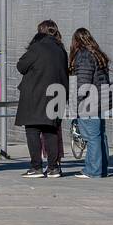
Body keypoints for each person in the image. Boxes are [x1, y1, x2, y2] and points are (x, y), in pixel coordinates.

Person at [15, 20, 68, 178]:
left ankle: (36, 167)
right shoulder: (61, 50)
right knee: (50, 131)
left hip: (35, 96)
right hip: (56, 96)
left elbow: (21, 66)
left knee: (32, 130)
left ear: (40, 31)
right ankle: (53, 168)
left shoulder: (37, 47)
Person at [69, 27, 111, 179]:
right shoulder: (97, 54)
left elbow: (82, 84)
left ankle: (93, 170)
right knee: (100, 136)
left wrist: (76, 104)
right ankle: (101, 168)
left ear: (76, 41)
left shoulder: (84, 56)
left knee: (92, 137)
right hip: (100, 101)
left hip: (88, 103)